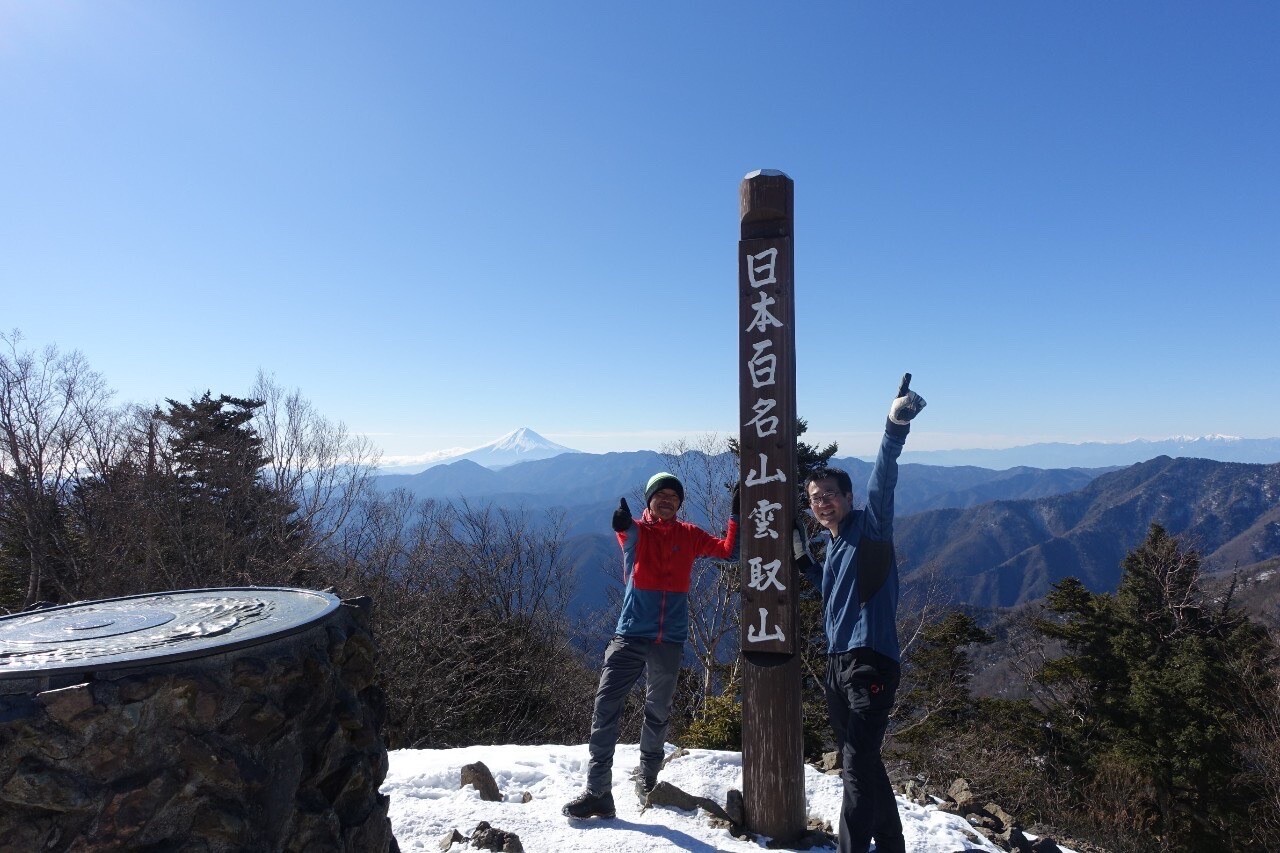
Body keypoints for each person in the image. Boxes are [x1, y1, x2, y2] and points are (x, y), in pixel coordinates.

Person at [794, 378, 925, 853]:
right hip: (838, 665)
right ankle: (891, 845)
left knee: (854, 765)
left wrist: (894, 428)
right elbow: (832, 594)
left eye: (829, 492)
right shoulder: (832, 547)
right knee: (865, 762)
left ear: (848, 497)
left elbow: (883, 479)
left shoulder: (871, 528)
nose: (821, 500)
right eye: (814, 497)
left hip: (870, 660)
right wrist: (807, 564)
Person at [562, 471, 739, 820]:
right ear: (649, 500)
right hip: (629, 634)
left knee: (658, 711)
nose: (668, 500)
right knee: (606, 708)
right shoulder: (637, 532)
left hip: (669, 638)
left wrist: (735, 515)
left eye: (674, 496)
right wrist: (620, 522)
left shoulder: (689, 535)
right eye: (661, 495)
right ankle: (598, 791)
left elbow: (728, 552)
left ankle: (648, 778)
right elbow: (624, 530)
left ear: (680, 503)